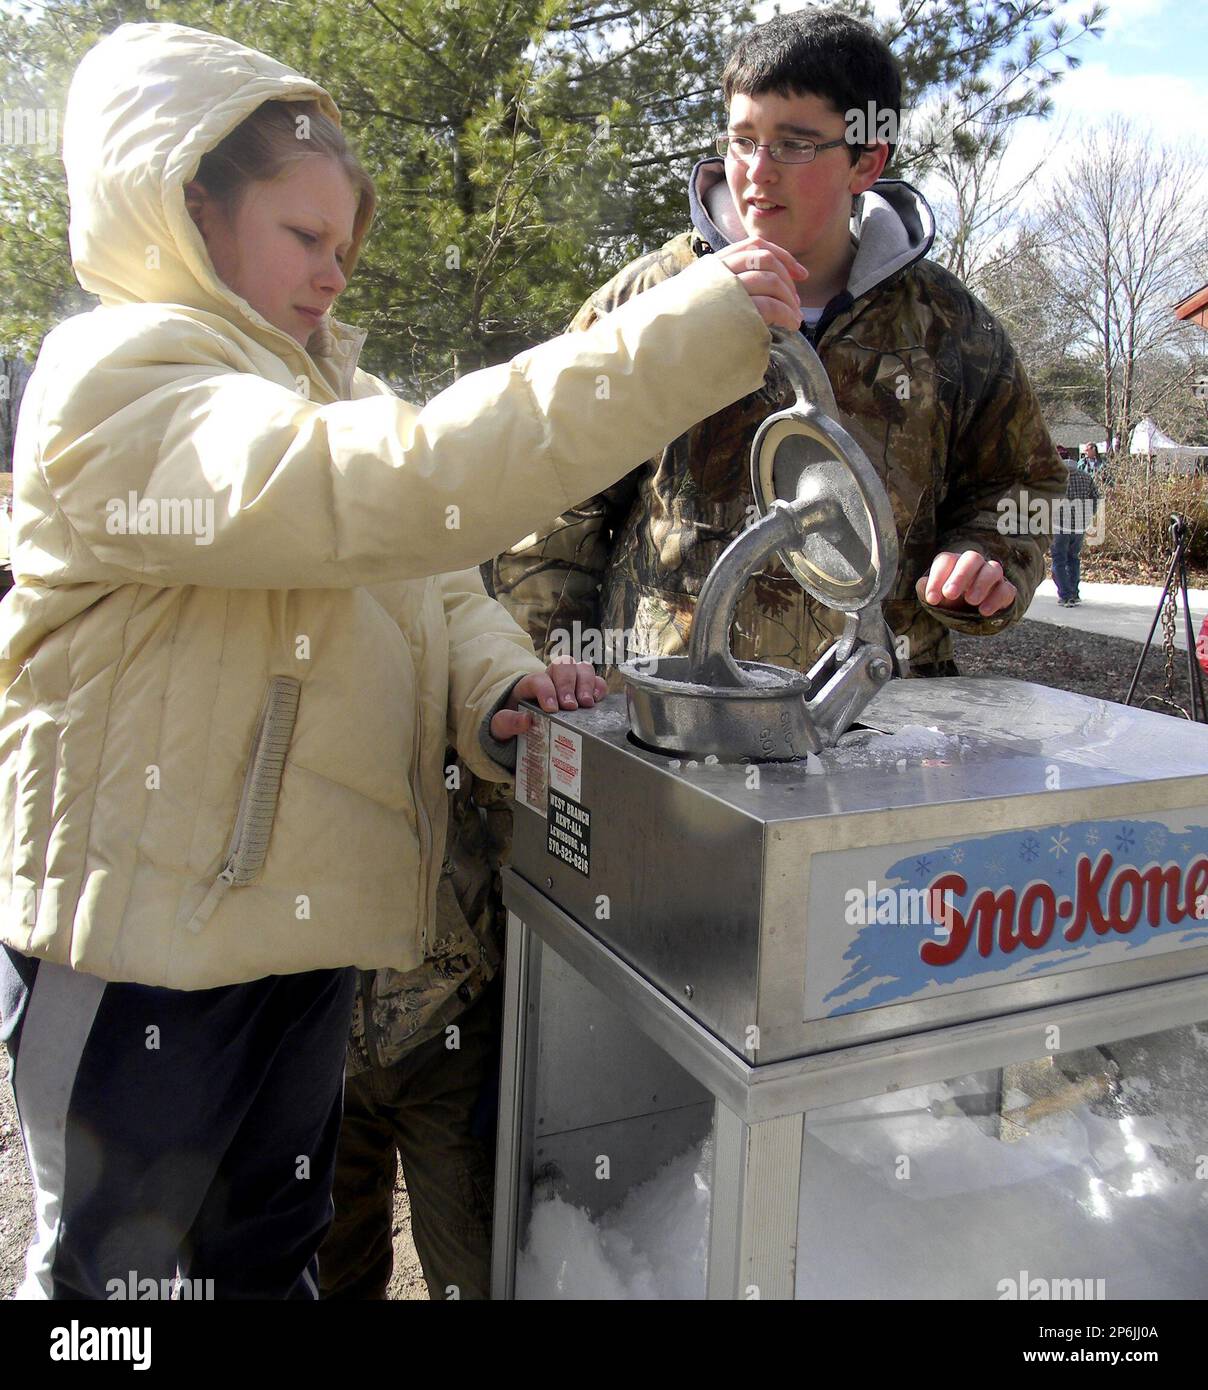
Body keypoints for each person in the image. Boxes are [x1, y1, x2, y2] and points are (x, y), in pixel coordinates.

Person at [0, 20, 798, 1300]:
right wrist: (678, 336)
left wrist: (494, 689)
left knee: (266, 1258)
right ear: (184, 205)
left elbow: (435, 581)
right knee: (115, 1292)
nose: (333, 274)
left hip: (295, 941)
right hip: (145, 947)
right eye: (302, 237)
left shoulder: (330, 397)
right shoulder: (121, 376)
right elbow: (405, 491)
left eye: (346, 244)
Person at [494, 8, 1067, 683]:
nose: (757, 171)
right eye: (742, 140)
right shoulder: (650, 301)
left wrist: (987, 559)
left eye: (795, 145)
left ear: (867, 159)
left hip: (880, 727)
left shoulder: (947, 326)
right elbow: (549, 495)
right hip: (673, 719)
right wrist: (556, 670)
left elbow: (1023, 485)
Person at [1052, 456, 1100, 607]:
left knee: (1059, 560)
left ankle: (1065, 596)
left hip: (1059, 526)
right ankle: (1074, 593)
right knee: (1073, 558)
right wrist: (1088, 514)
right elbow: (1096, 498)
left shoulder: (1057, 479)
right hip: (1078, 526)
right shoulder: (1086, 477)